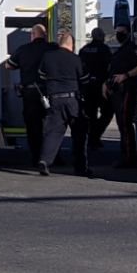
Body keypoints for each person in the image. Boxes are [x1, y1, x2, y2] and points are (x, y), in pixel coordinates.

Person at [37, 31, 90, 176]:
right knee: (79, 134)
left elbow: (41, 75)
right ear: (71, 44)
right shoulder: (76, 59)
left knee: (53, 132)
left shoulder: (48, 57)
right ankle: (81, 167)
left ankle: (45, 161)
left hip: (54, 99)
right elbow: (85, 79)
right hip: (73, 100)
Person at [5, 24, 51, 163]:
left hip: (30, 92)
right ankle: (51, 155)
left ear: (32, 35)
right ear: (45, 35)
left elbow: (9, 65)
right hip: (49, 91)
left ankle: (36, 156)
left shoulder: (24, 49)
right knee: (51, 126)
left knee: (33, 126)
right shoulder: (52, 48)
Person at [107, 26, 137, 168]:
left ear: (128, 33)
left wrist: (125, 76)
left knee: (125, 124)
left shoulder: (132, 49)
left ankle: (129, 158)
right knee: (121, 124)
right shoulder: (120, 50)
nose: (119, 34)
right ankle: (124, 155)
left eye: (122, 32)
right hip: (117, 91)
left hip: (127, 90)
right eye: (117, 32)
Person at [79, 27, 114, 151]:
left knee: (90, 114)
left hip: (87, 86)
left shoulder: (84, 50)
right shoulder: (105, 50)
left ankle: (91, 138)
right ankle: (95, 135)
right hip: (101, 86)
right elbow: (110, 67)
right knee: (108, 112)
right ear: (102, 37)